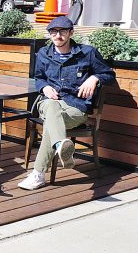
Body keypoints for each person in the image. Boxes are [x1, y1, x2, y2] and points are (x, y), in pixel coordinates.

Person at [18, 16, 116, 190]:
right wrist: (44, 87)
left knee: (51, 124)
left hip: (76, 107)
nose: (58, 36)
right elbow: (38, 78)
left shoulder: (87, 53)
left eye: (62, 31)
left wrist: (95, 77)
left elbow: (109, 75)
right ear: (49, 35)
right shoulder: (43, 54)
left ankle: (40, 172)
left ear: (71, 33)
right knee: (50, 105)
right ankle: (58, 147)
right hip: (49, 102)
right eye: (53, 32)